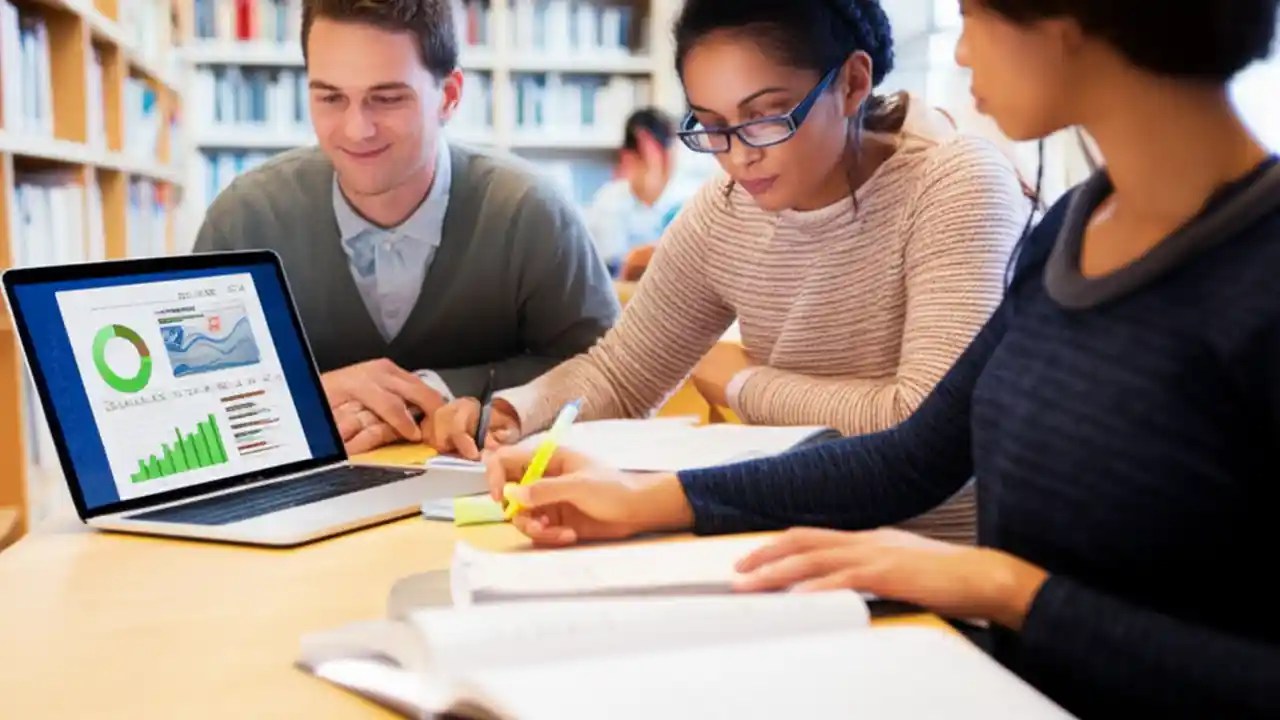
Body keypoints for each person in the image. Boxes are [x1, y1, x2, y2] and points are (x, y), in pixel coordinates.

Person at [483, 0, 1280, 716]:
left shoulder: (1257, 272)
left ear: (1065, 22)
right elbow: (915, 456)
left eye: (973, 14)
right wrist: (645, 499)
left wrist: (1006, 589)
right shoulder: (1074, 228)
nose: (959, 51)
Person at [428, 0, 1030, 544]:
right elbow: (620, 373)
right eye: (711, 126)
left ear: (851, 82)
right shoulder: (725, 210)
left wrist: (742, 383)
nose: (740, 156)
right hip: (786, 541)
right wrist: (511, 415)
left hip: (936, 568)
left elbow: (922, 426)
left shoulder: (954, 186)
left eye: (767, 116)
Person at [192, 0, 619, 454]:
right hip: (304, 492)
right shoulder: (244, 219)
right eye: (331, 97)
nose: (357, 130)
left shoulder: (532, 214)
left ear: (449, 96)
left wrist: (431, 392)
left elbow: (609, 379)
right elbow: (181, 405)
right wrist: (311, 393)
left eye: (387, 98)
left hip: (489, 487)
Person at [583, 108, 697, 274]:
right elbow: (613, 271)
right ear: (627, 157)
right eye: (647, 156)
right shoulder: (608, 201)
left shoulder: (687, 198)